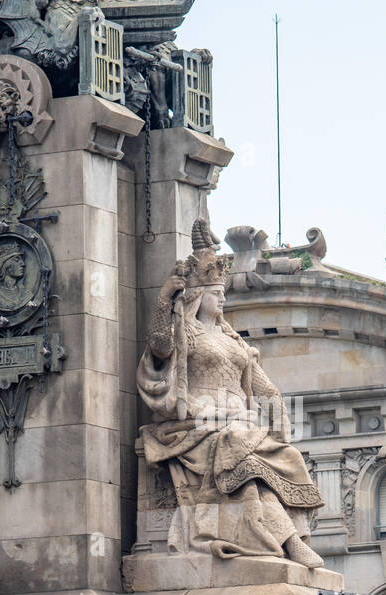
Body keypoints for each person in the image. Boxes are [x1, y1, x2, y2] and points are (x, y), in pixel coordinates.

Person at [137, 222, 324, 567]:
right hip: (198, 422)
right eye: (215, 292)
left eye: (222, 291)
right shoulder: (186, 333)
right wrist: (165, 299)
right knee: (245, 458)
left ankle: (291, 539)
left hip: (239, 422)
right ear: (197, 296)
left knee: (289, 457)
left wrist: (277, 418)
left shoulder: (232, 339)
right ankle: (286, 542)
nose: (222, 297)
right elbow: (160, 347)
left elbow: (262, 386)